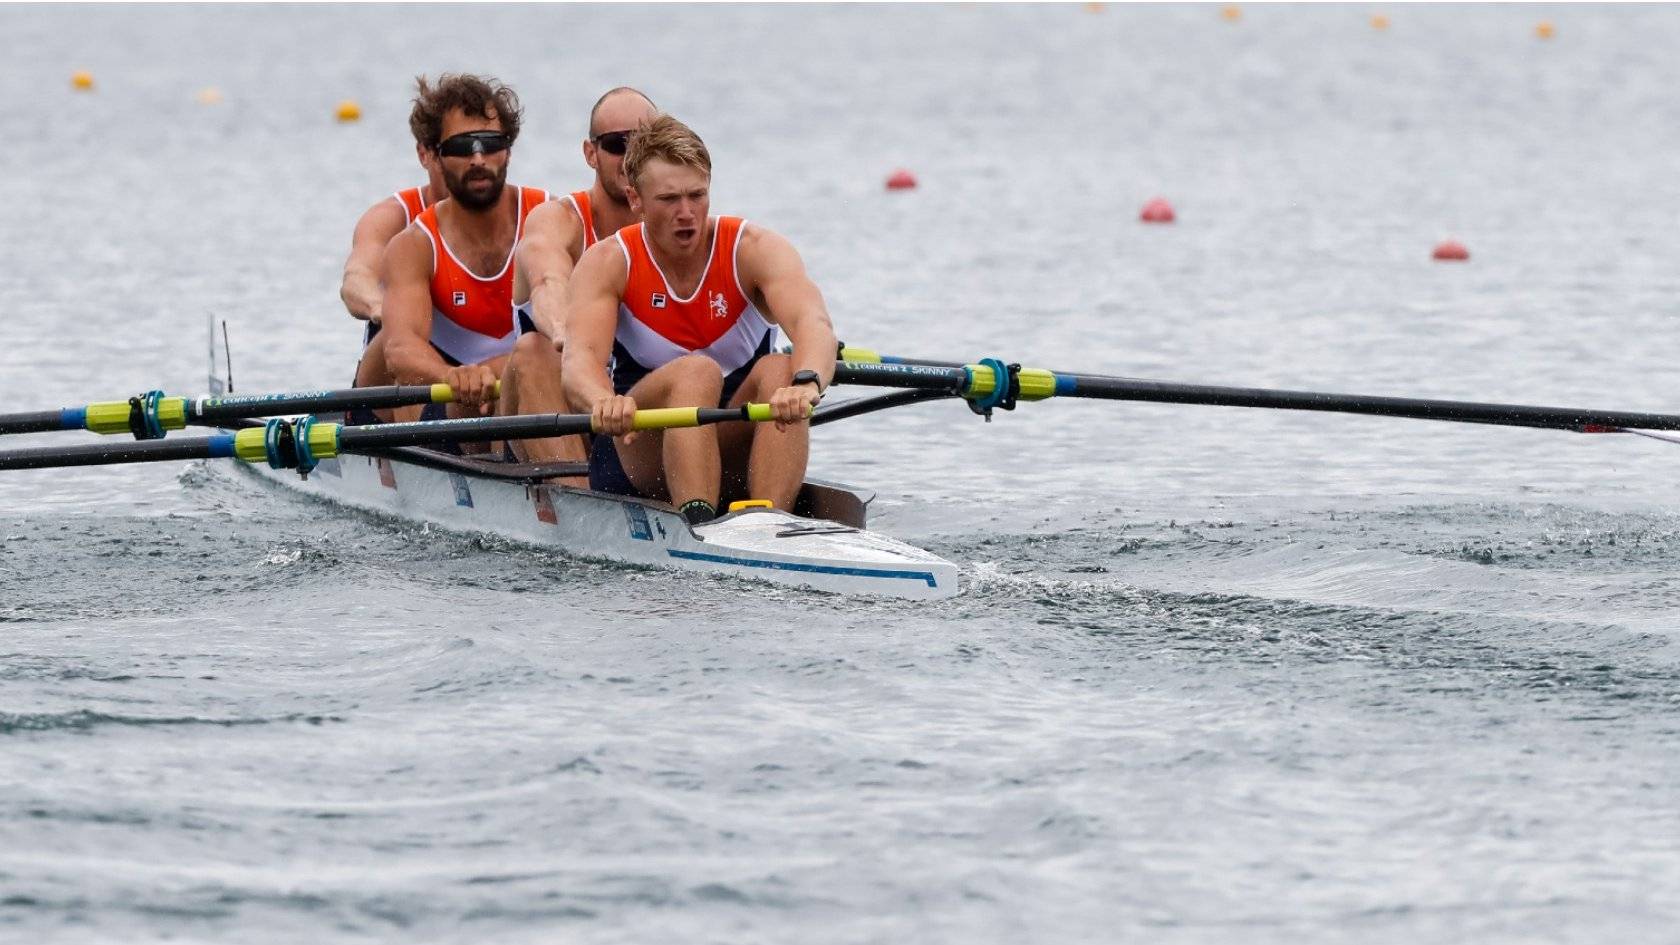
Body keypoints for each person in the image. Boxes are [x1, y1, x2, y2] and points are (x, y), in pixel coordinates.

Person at [563, 115, 838, 524]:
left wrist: (808, 382)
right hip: (643, 447)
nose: (687, 213)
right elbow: (578, 362)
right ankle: (696, 521)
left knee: (783, 366)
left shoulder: (754, 249)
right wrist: (602, 401)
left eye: (697, 195)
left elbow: (814, 324)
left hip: (734, 440)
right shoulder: (607, 261)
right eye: (669, 199)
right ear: (635, 199)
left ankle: (769, 525)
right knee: (697, 372)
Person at [353, 74, 549, 440]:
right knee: (392, 340)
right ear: (433, 155)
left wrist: (493, 370)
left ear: (508, 148)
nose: (477, 158)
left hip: (515, 385)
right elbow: (400, 350)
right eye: (461, 146)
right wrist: (452, 376)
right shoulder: (408, 236)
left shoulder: (548, 217)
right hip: (439, 392)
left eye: (490, 143)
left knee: (537, 361)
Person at [496, 87, 658, 464]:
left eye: (646, 144)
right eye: (618, 144)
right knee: (533, 353)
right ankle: (574, 497)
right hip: (551, 405)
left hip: (624, 417)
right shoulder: (558, 221)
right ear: (590, 154)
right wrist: (565, 336)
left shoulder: (675, 223)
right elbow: (547, 283)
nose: (632, 157)